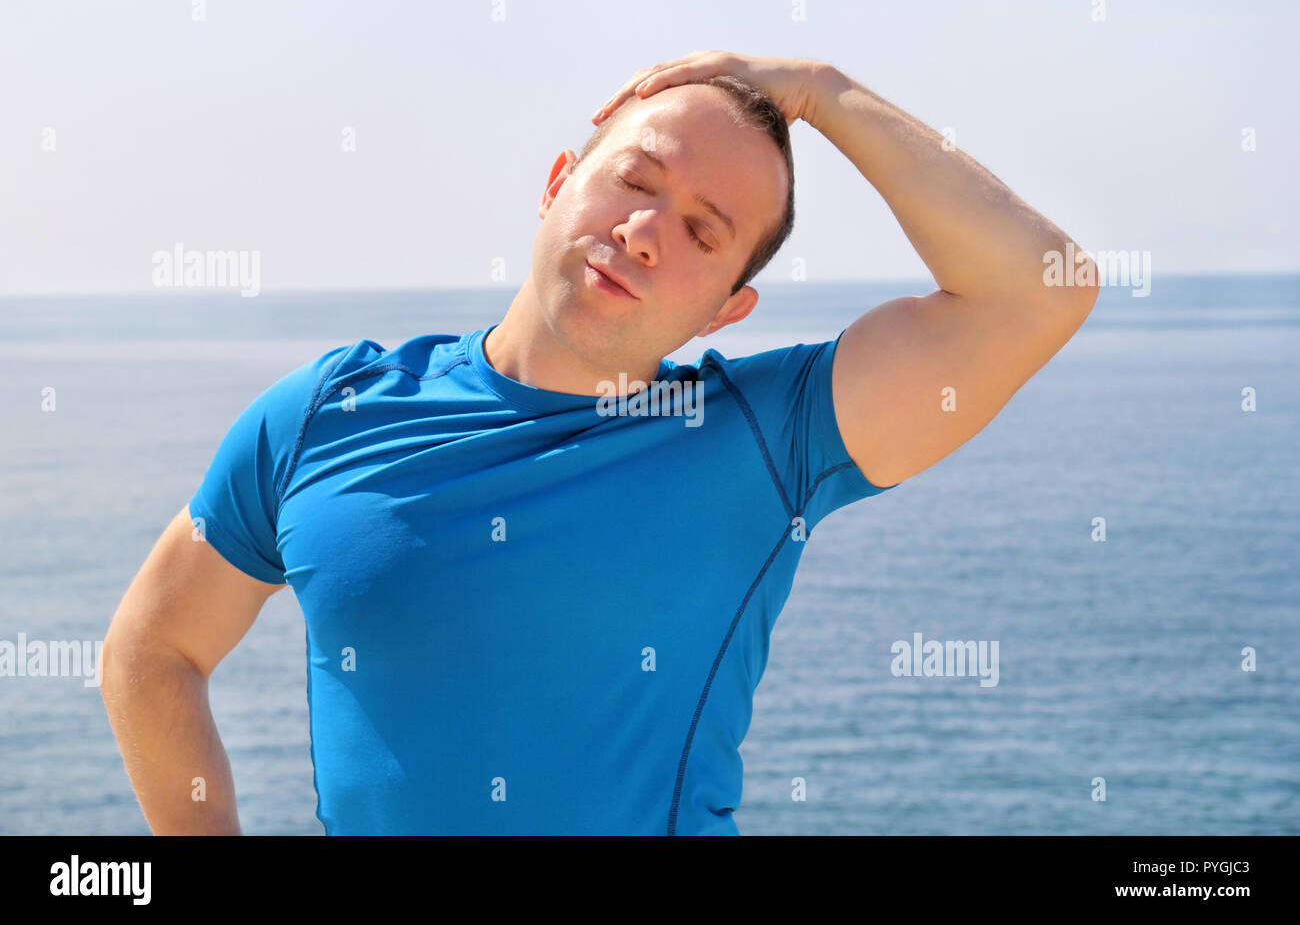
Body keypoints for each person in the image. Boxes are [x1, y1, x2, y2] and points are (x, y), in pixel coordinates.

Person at [102, 50, 1099, 835]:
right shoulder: (329, 409)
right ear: (557, 183)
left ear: (726, 307)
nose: (646, 230)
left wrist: (819, 91)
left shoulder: (762, 439)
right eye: (634, 179)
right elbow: (155, 645)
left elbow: (1041, 287)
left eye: (704, 232)